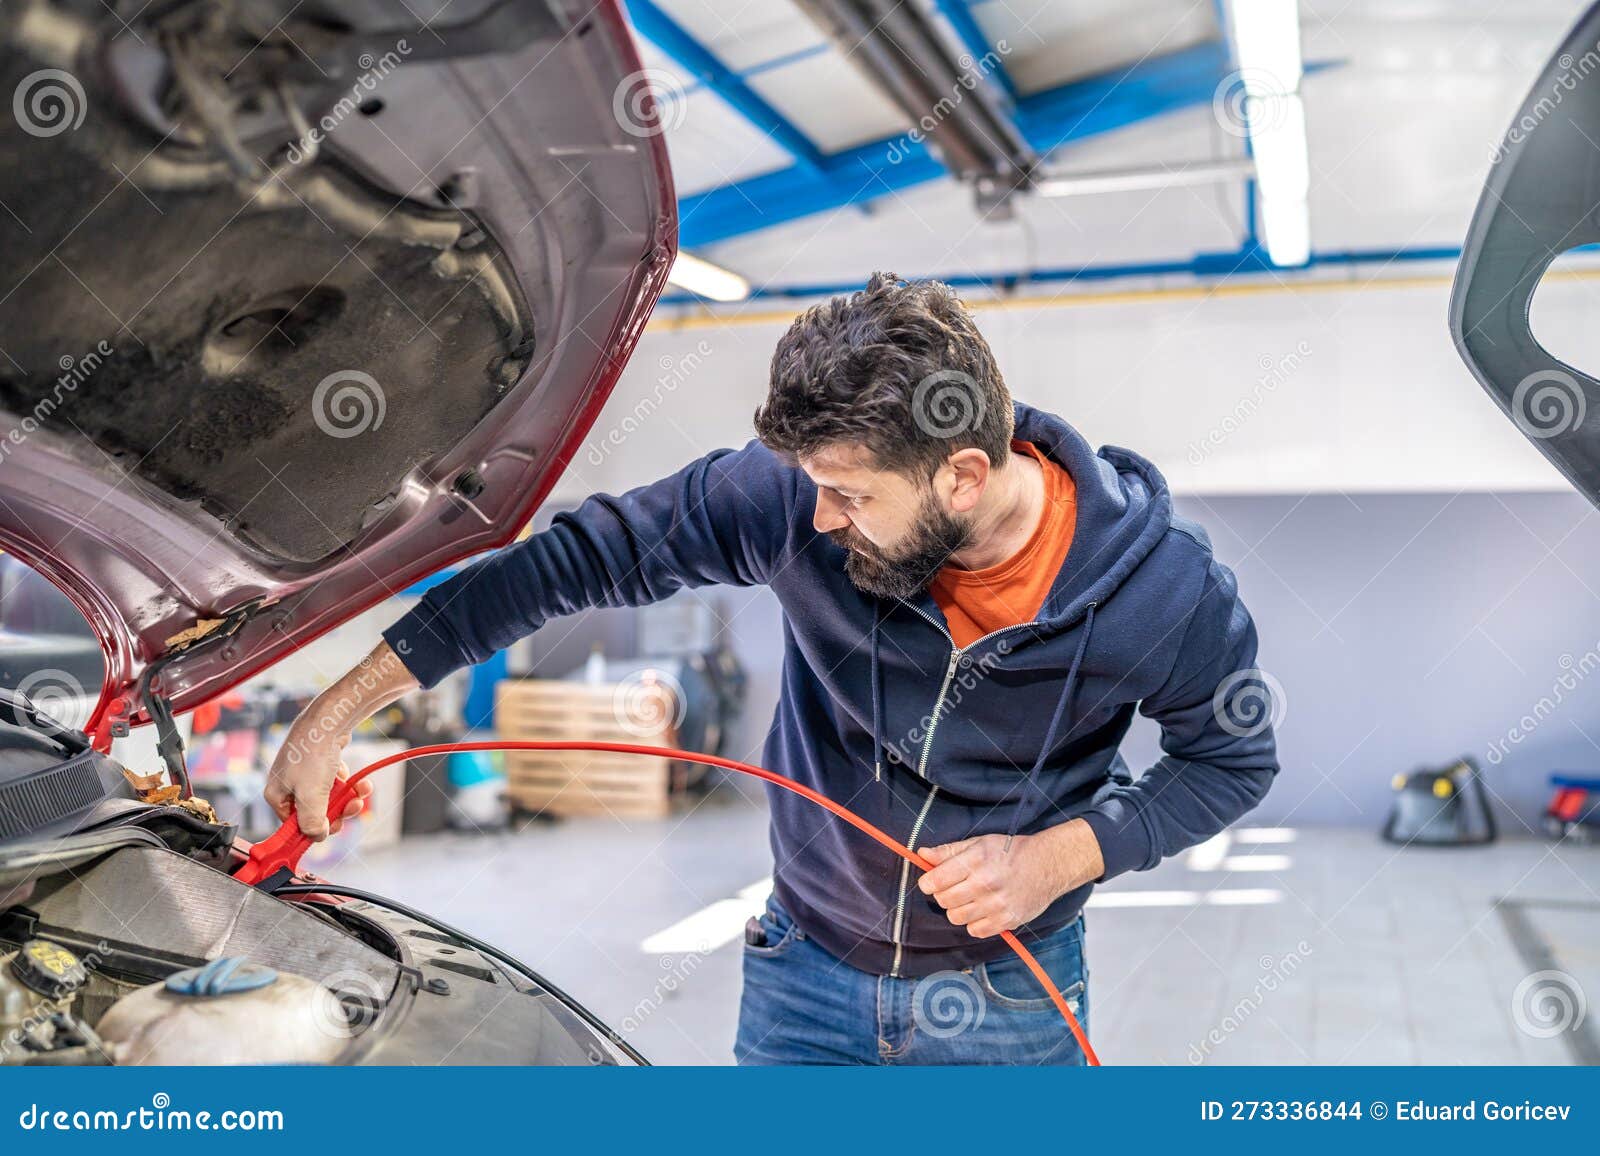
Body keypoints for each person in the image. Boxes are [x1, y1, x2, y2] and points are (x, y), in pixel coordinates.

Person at [266, 272, 1279, 1065]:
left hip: (1010, 994)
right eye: (812, 487)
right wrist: (339, 709)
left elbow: (1230, 762)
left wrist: (1062, 857)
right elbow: (575, 557)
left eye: (850, 494)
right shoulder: (792, 498)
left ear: (964, 475)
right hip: (803, 970)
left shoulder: (1164, 593)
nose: (822, 518)